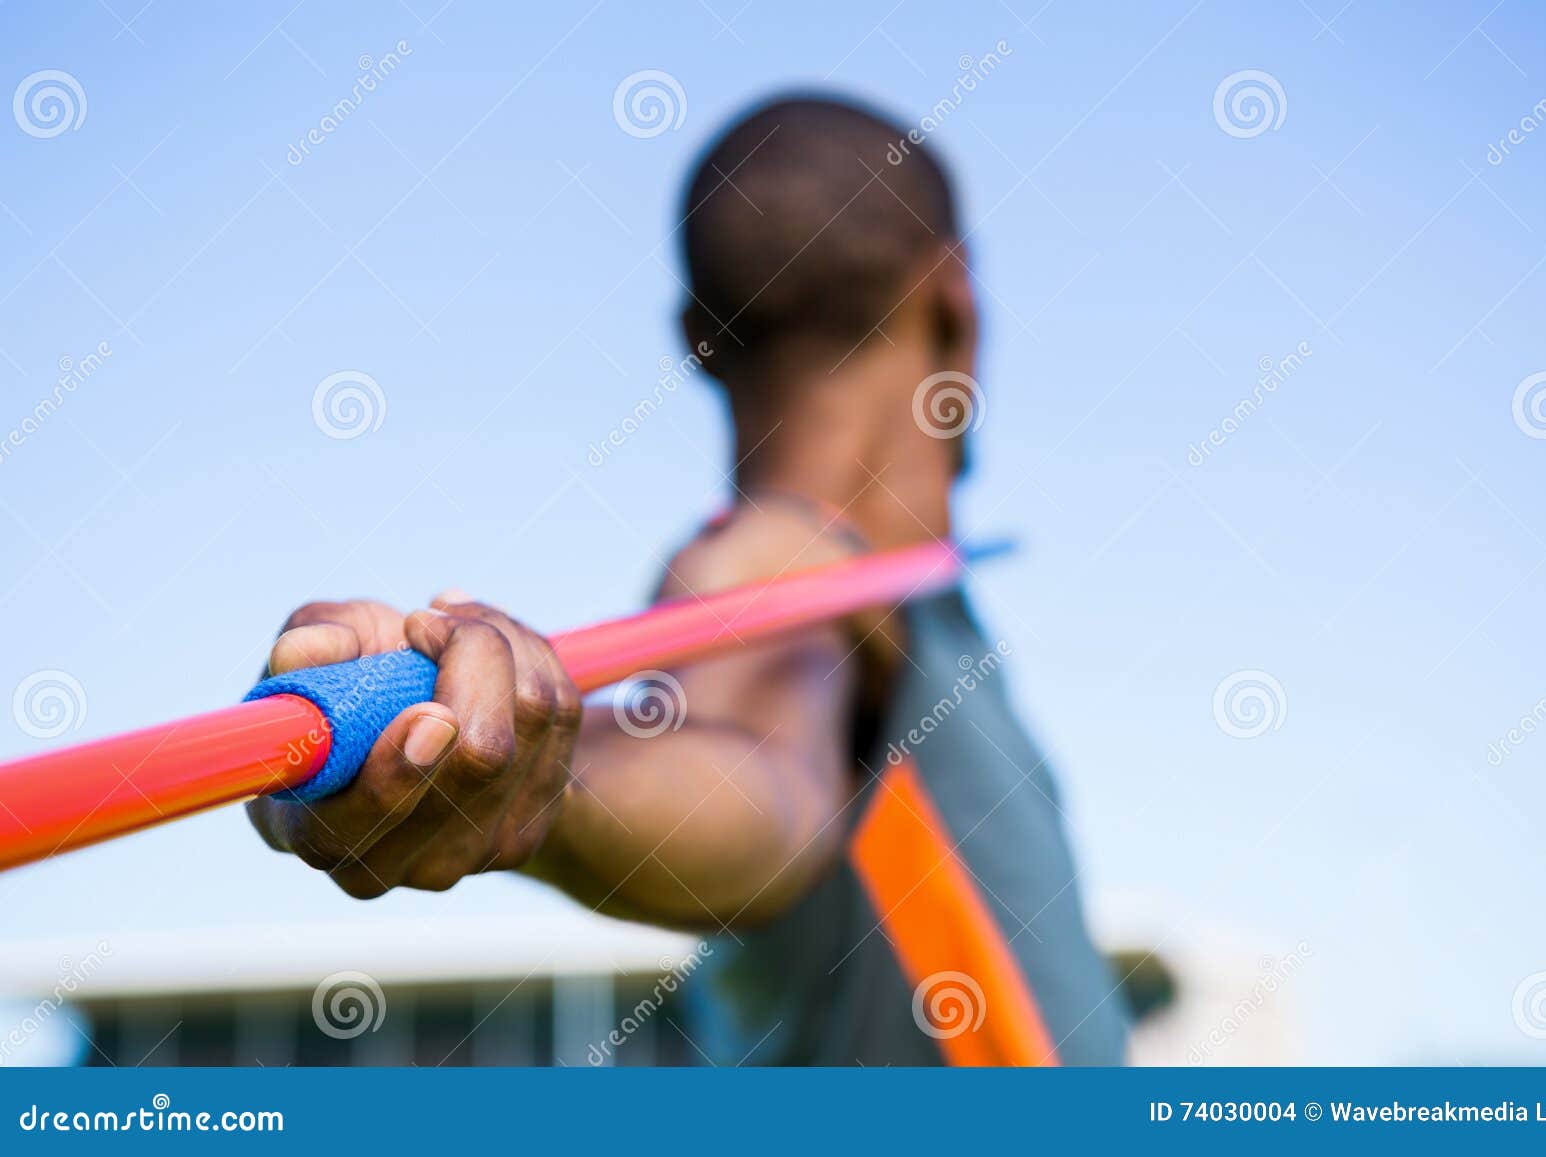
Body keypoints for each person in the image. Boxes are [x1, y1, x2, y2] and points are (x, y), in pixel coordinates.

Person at [248, 95, 1127, 1066]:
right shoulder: (768, 564)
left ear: (696, 337)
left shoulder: (901, 596)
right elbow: (751, 766)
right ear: (953, 298)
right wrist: (510, 756)